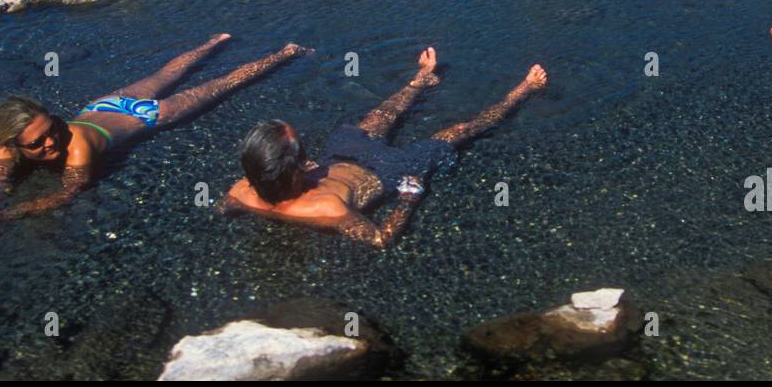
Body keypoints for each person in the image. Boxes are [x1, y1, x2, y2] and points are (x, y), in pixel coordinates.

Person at [0, 34, 310, 227]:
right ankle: (215, 41)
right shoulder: (3, 148)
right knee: (165, 73)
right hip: (101, 106)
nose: (52, 140)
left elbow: (67, 194)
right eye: (38, 142)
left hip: (145, 115)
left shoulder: (77, 148)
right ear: (10, 143)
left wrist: (9, 214)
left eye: (52, 128)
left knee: (219, 85)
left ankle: (283, 52)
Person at [225, 47, 547, 248]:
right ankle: (523, 91)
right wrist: (408, 201)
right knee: (458, 131)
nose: (307, 154)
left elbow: (222, 210)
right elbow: (379, 239)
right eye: (302, 151)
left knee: (381, 114)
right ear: (294, 167)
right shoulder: (326, 209)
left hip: (340, 158)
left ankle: (422, 77)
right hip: (386, 171)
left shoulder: (241, 191)